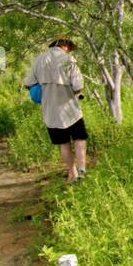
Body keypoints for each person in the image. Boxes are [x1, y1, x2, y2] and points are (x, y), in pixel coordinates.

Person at [23, 39, 87, 183]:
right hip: (71, 110)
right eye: (69, 48)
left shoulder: (39, 59)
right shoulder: (69, 59)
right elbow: (78, 86)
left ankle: (72, 173)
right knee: (79, 138)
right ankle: (82, 168)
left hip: (50, 112)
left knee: (63, 144)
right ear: (65, 45)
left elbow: (28, 83)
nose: (69, 50)